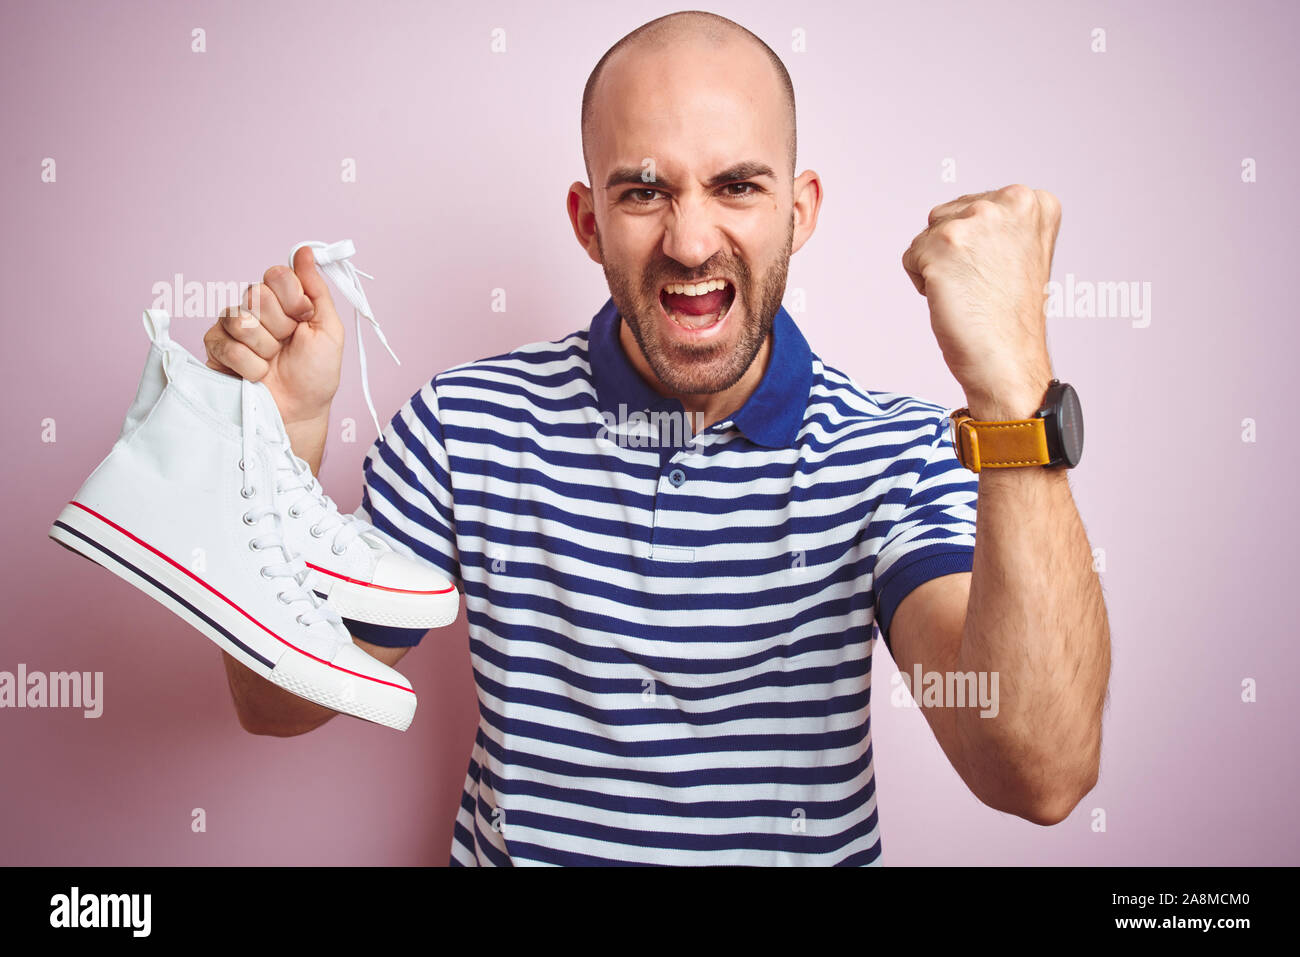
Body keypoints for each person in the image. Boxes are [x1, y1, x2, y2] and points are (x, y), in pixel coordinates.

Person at [204, 10, 1110, 865]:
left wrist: (1013, 389)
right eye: (644, 190)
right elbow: (277, 701)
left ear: (799, 211)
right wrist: (276, 443)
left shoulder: (902, 455)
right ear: (589, 221)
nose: (689, 239)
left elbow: (1041, 773)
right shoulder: (463, 426)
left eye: (736, 186)